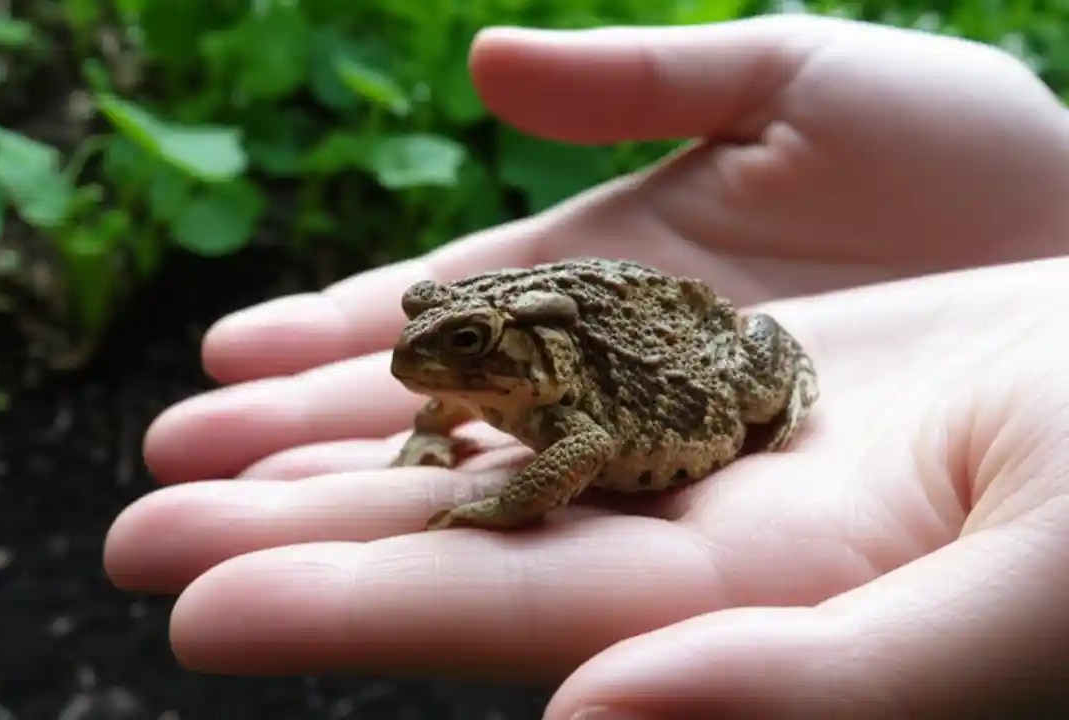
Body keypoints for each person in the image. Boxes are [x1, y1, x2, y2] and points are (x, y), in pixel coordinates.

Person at [104, 14, 1069, 719]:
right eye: (426, 332)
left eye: (468, 347)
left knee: (758, 378)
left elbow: (587, 443)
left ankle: (778, 403)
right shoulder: (504, 381)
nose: (426, 360)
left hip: (692, 375)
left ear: (525, 350)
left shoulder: (568, 406)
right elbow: (455, 399)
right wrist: (430, 437)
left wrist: (500, 502)